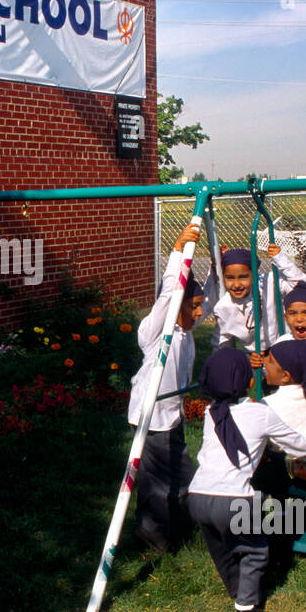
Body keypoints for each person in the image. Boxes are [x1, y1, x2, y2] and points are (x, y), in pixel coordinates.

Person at [187, 348, 306, 612]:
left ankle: (236, 589)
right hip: (234, 499)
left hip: (197, 496)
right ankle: (246, 606)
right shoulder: (261, 413)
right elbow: (298, 444)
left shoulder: (212, 413)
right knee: (254, 549)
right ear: (247, 381)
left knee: (221, 548)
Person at [128, 223, 210, 553]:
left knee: (175, 474)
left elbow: (213, 300)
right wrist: (178, 251)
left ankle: (169, 523)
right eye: (195, 305)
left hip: (170, 417)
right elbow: (168, 293)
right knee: (157, 481)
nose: (201, 312)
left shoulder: (186, 332)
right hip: (151, 416)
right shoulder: (155, 333)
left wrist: (216, 267)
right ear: (179, 307)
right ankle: (154, 532)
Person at [211, 242, 306, 354]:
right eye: (230, 278)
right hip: (255, 358)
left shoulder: (268, 283)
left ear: (254, 274)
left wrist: (280, 260)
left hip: (284, 349)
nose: (237, 284)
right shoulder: (223, 307)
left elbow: (303, 286)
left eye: (243, 277)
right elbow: (220, 343)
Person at [261, 339, 306, 454]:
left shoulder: (268, 405)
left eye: (271, 361)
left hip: (284, 466)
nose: (265, 362)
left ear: (285, 376)